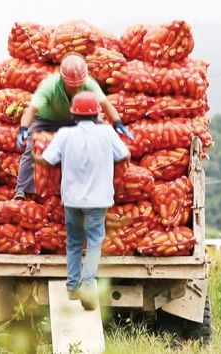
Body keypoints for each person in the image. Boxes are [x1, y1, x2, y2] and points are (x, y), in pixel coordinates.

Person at [33, 91, 130, 310]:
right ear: (97, 114)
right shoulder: (106, 133)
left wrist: (32, 156)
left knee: (74, 243)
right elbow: (123, 155)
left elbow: (48, 161)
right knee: (95, 242)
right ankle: (88, 286)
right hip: (98, 199)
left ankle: (73, 286)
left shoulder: (65, 134)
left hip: (72, 199)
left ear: (74, 115)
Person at [14, 52, 133, 200]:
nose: (76, 89)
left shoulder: (89, 84)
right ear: (62, 79)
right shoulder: (49, 86)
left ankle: (112, 184)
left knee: (104, 134)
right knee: (30, 146)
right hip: (47, 120)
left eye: (79, 85)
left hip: (77, 117)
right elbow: (31, 110)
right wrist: (24, 129)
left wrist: (118, 123)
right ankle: (22, 190)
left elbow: (106, 104)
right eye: (72, 86)